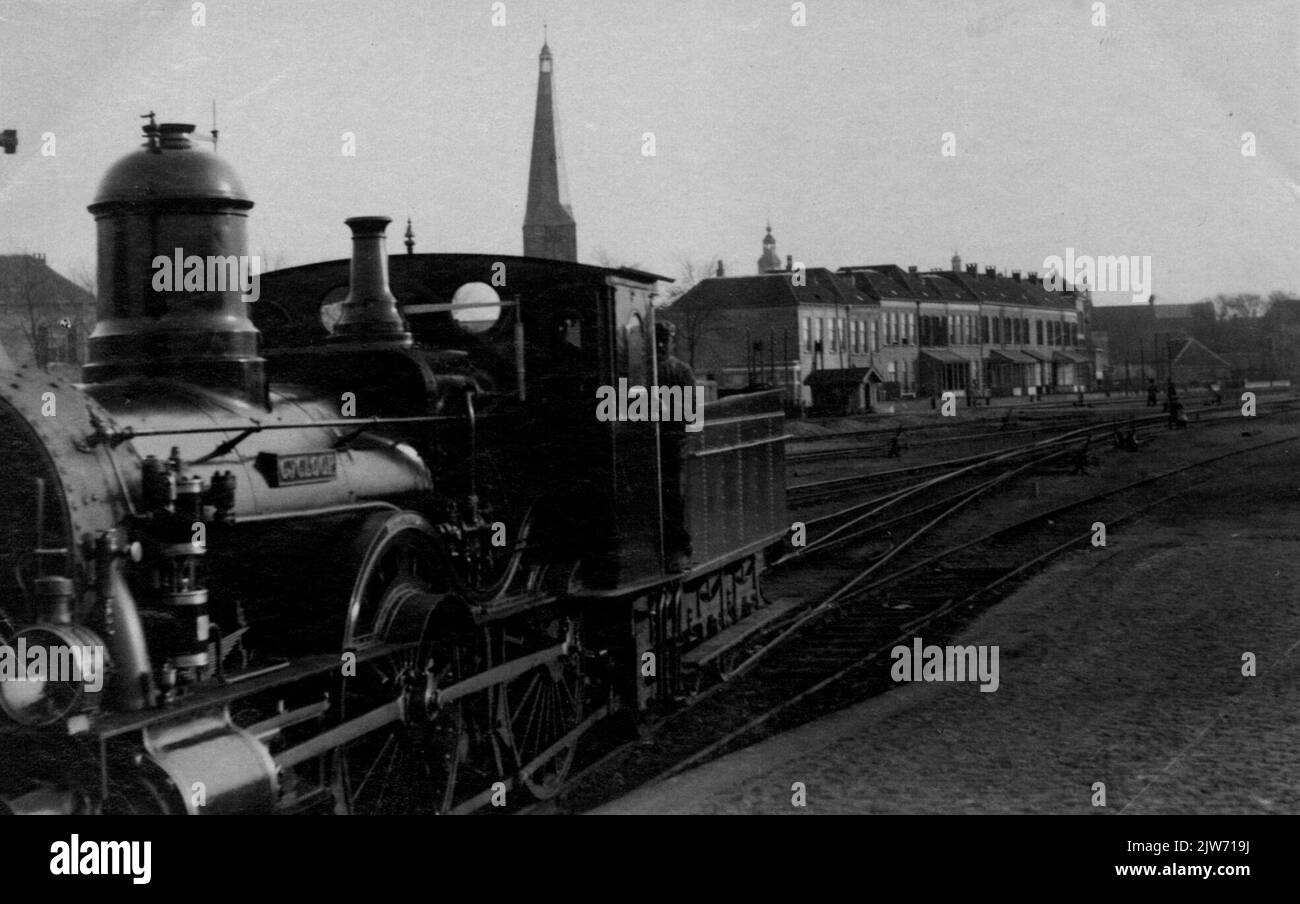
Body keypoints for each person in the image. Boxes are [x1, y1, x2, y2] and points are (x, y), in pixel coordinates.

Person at [655, 321, 696, 572]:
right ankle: (677, 550)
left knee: (670, 496)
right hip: (671, 441)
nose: (662, 344)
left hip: (663, 442)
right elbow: (690, 413)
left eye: (664, 339)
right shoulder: (682, 370)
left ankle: (676, 548)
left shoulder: (642, 370)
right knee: (672, 496)